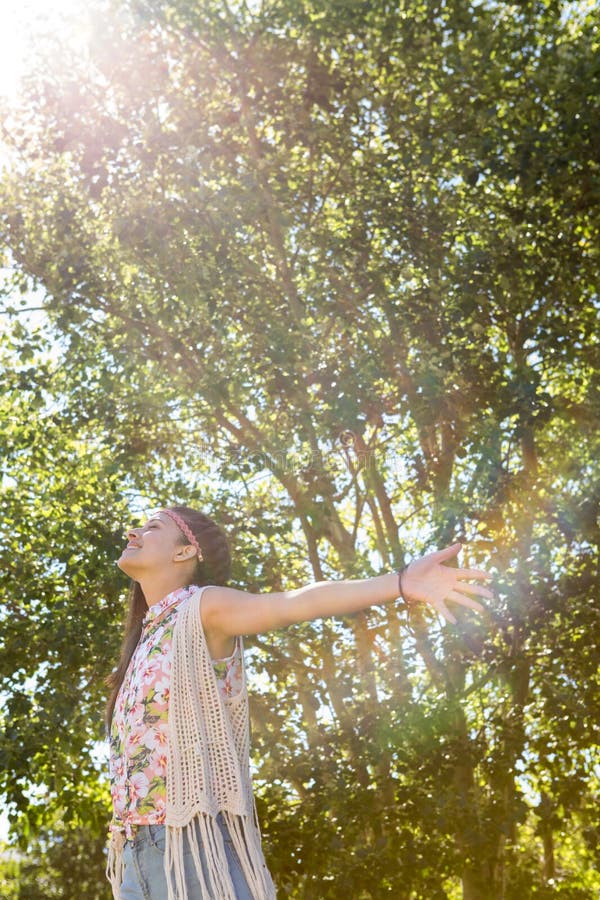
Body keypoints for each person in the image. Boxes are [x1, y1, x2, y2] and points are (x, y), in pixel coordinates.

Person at [105, 505, 493, 900]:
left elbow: (296, 602)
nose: (134, 532)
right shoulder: (147, 637)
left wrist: (401, 582)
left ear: (185, 551)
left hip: (191, 851)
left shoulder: (203, 608)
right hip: (134, 855)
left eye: (152, 527)